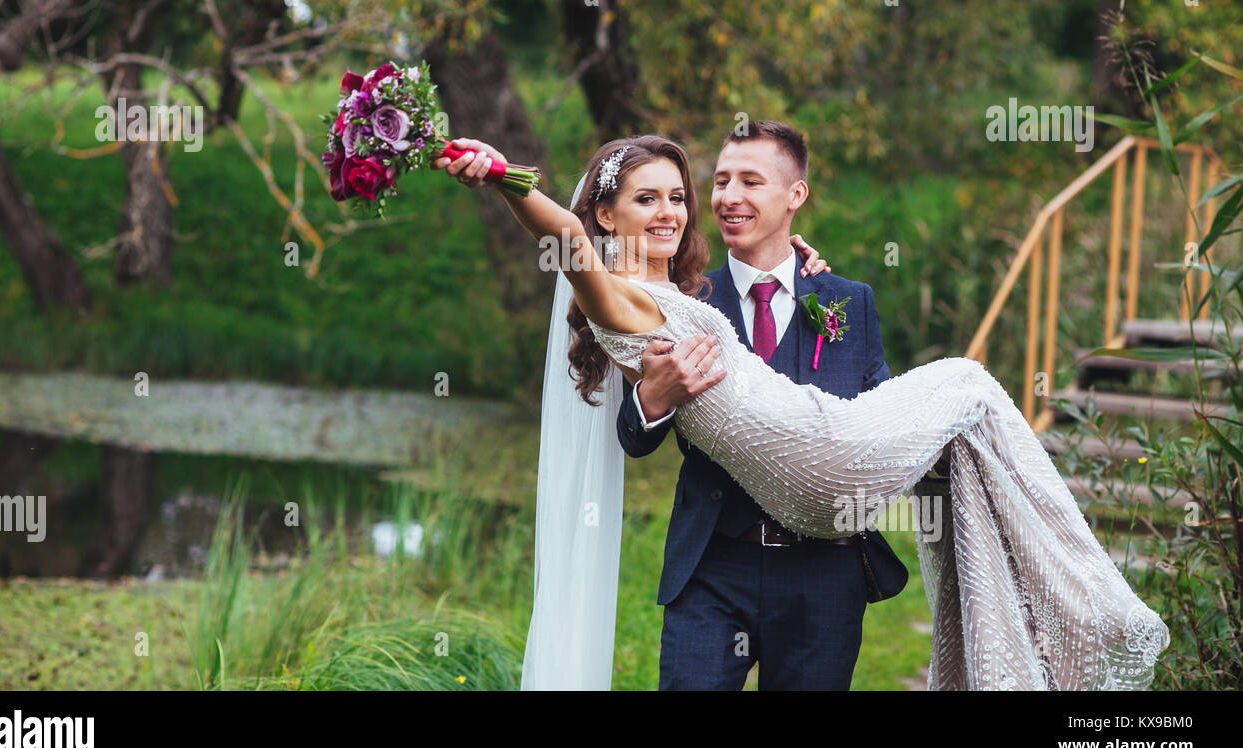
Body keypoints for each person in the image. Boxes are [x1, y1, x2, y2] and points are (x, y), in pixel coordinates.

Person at [433, 133, 1171, 691]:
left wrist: (792, 265)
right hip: (718, 562)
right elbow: (568, 247)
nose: (683, 207)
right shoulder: (629, 296)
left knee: (973, 415)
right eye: (660, 195)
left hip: (824, 537)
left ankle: (1046, 618)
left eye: (680, 196)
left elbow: (875, 403)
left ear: (795, 197)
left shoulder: (820, 298)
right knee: (973, 385)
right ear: (603, 211)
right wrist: (504, 179)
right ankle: (1090, 603)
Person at [616, 120, 909, 690]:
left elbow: (882, 425)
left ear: (794, 195)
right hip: (714, 566)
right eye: (721, 181)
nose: (729, 196)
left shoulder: (849, 302)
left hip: (825, 572)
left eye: (751, 181)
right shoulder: (684, 300)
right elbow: (635, 436)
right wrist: (654, 397)